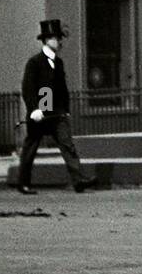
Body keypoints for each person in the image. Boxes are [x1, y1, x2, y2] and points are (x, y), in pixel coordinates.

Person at [16, 20, 95, 194]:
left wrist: (65, 109)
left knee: (67, 145)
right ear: (46, 40)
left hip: (57, 112)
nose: (59, 42)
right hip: (41, 112)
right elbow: (28, 88)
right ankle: (23, 183)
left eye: (60, 38)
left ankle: (79, 180)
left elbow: (61, 89)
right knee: (31, 147)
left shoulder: (58, 63)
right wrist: (34, 109)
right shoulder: (35, 62)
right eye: (56, 38)